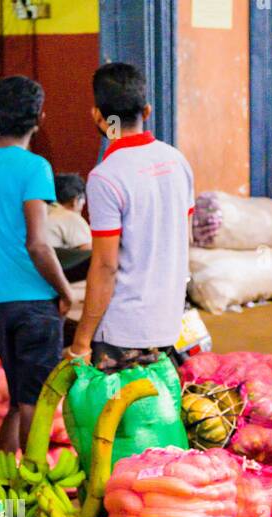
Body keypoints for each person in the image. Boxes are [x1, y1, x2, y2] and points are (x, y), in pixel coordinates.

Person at [69, 62, 194, 371]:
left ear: (97, 116)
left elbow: (106, 265)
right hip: (168, 325)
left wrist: (81, 341)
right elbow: (184, 239)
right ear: (147, 111)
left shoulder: (106, 177)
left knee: (113, 417)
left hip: (122, 332)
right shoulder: (176, 161)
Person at [0, 76, 73, 452]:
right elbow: (38, 244)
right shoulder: (35, 168)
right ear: (40, 117)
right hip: (35, 302)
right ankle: (33, 490)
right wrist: (64, 291)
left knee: (20, 397)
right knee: (36, 400)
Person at [47, 174, 92, 254]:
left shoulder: (41, 213)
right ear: (75, 200)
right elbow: (88, 252)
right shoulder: (70, 217)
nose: (84, 202)